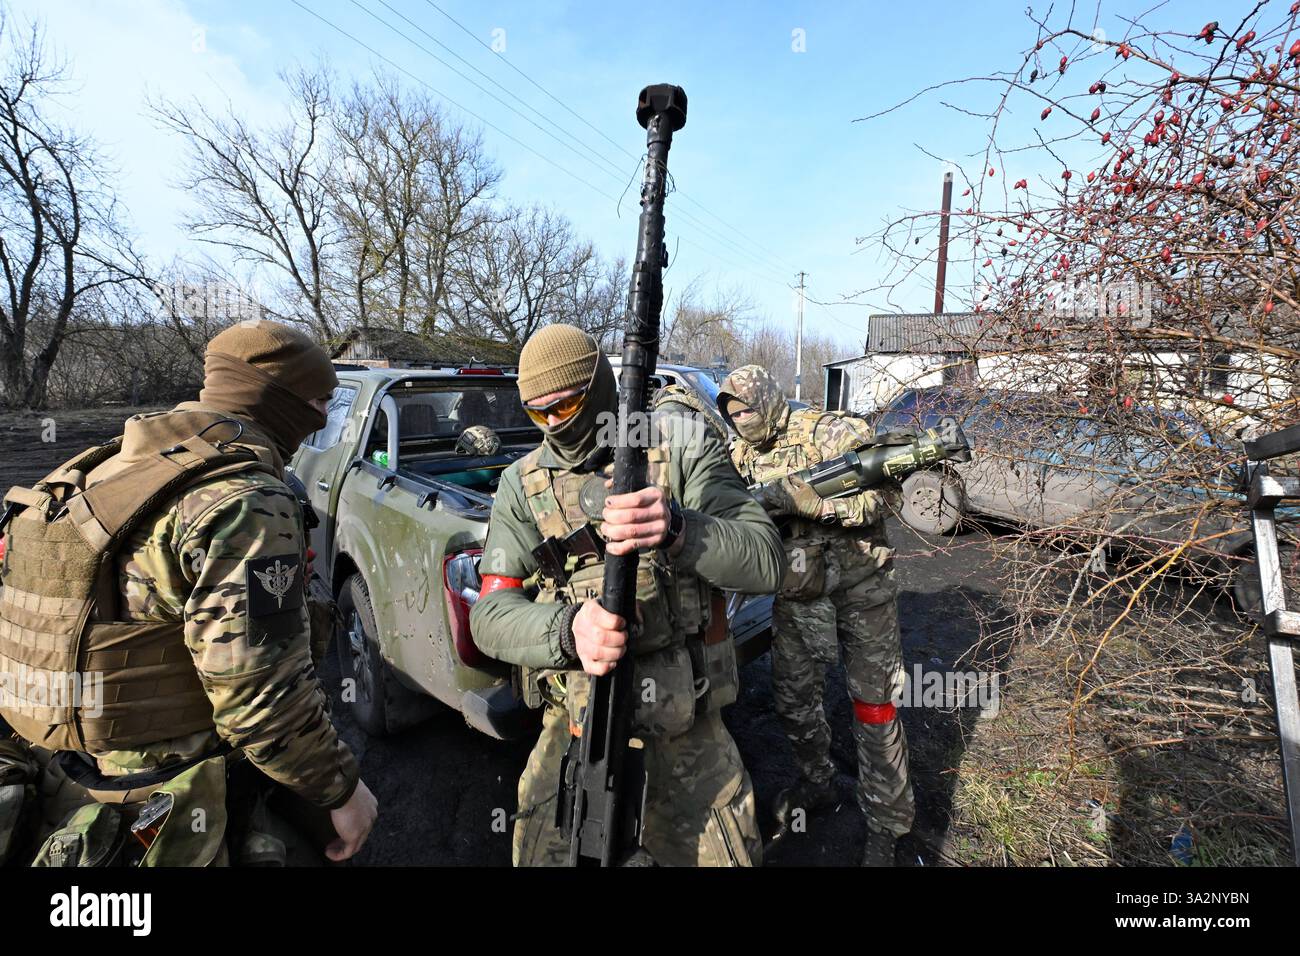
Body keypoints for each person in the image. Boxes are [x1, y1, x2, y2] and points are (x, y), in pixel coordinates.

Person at [0, 319, 377, 866]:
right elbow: (258, 698)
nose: (321, 418)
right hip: (170, 794)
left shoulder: (91, 471)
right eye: (319, 401)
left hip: (57, 772)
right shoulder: (244, 498)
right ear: (280, 400)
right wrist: (341, 790)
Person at [469, 324, 784, 866]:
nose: (551, 426)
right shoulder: (523, 485)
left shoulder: (680, 446)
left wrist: (681, 529)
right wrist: (566, 631)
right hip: (577, 726)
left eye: (564, 407)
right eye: (536, 413)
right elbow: (491, 616)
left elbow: (766, 561)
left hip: (687, 734)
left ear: (598, 391)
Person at [717, 364, 913, 866]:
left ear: (769, 399)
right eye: (731, 412)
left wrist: (817, 507)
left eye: (746, 409)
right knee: (794, 702)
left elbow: (886, 498)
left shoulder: (833, 432)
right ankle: (819, 784)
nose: (740, 420)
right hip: (799, 597)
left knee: (874, 707)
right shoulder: (741, 455)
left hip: (861, 590)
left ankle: (886, 826)